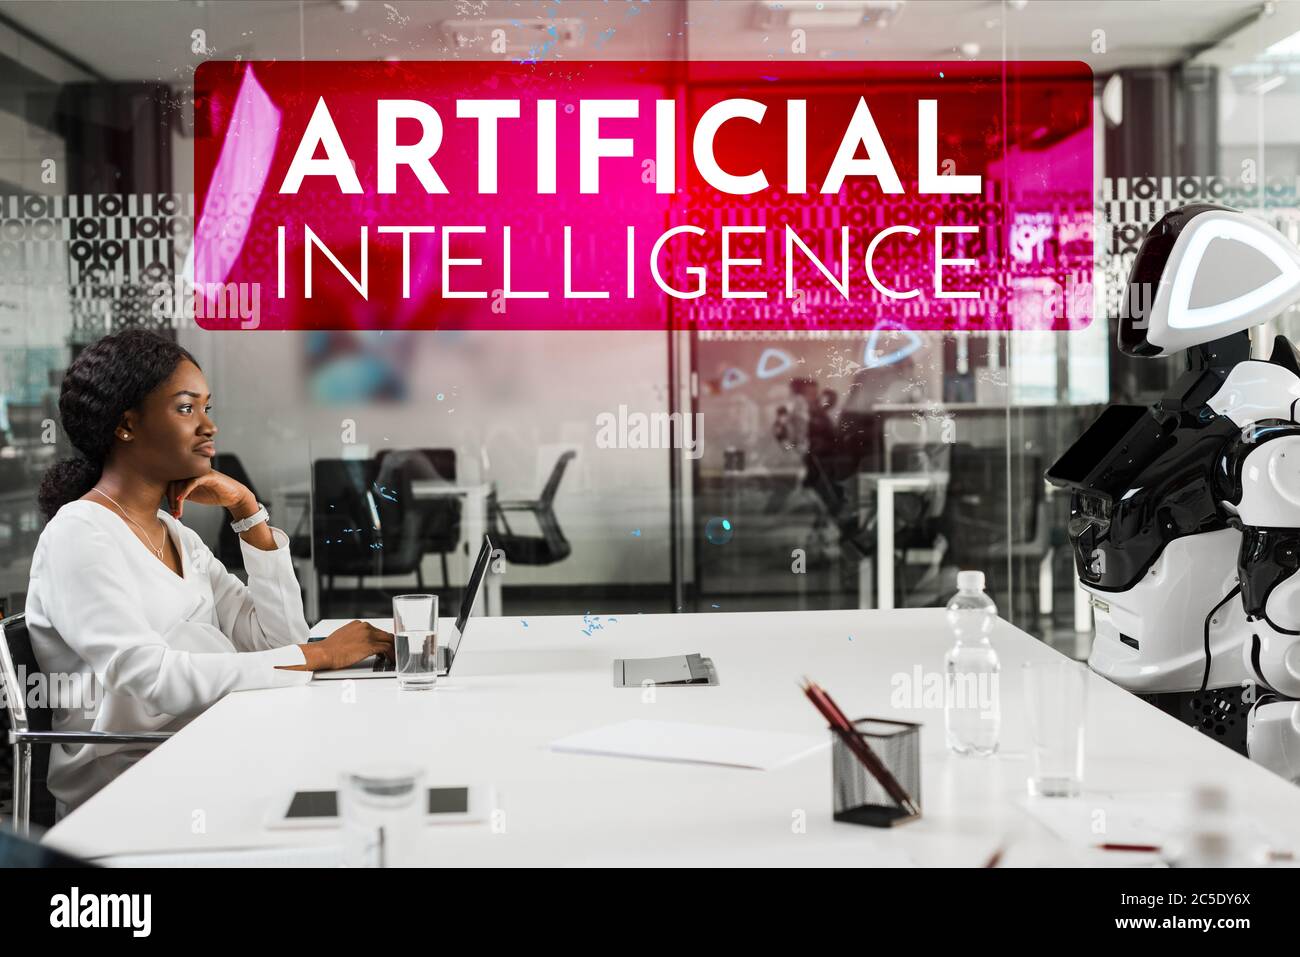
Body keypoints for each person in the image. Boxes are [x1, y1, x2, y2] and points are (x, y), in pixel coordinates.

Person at [25, 328, 393, 815]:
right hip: (132, 786)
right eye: (185, 408)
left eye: (207, 408)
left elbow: (276, 638)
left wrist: (247, 512)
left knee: (365, 759)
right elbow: (153, 679)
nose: (208, 427)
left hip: (207, 745)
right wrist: (318, 657)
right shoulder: (80, 535)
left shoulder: (175, 535)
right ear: (127, 425)